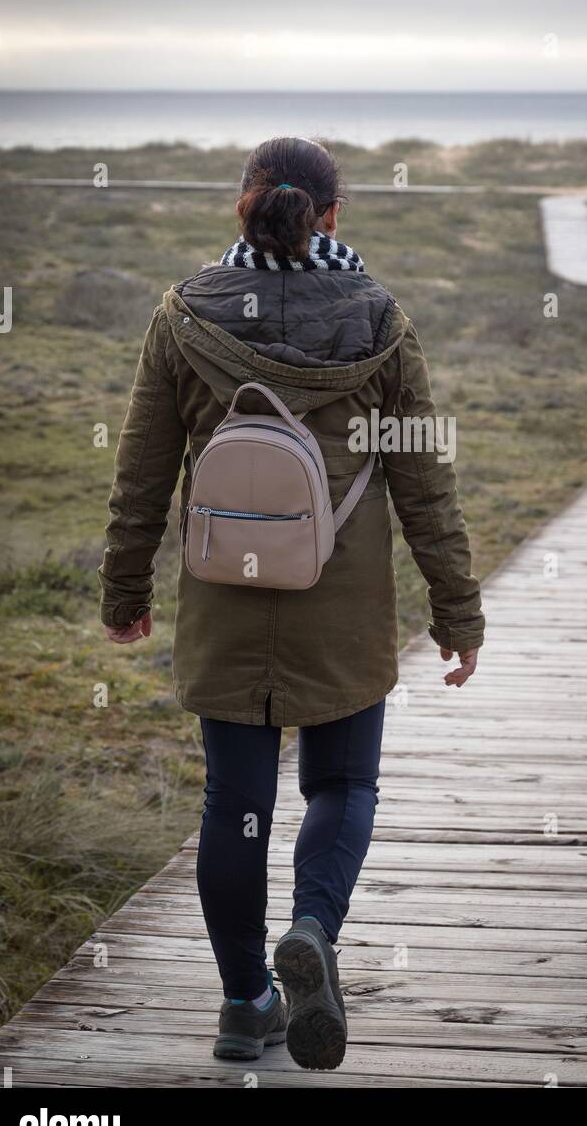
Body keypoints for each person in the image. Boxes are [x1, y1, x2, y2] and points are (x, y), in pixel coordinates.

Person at [98, 136, 485, 1072]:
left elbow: (143, 470)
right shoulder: (381, 321)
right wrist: (458, 613)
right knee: (343, 786)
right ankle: (313, 928)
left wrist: (123, 590)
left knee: (236, 802)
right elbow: (425, 485)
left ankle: (244, 1006)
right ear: (332, 216)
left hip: (224, 596)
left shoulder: (184, 314)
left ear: (243, 206)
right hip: (341, 605)